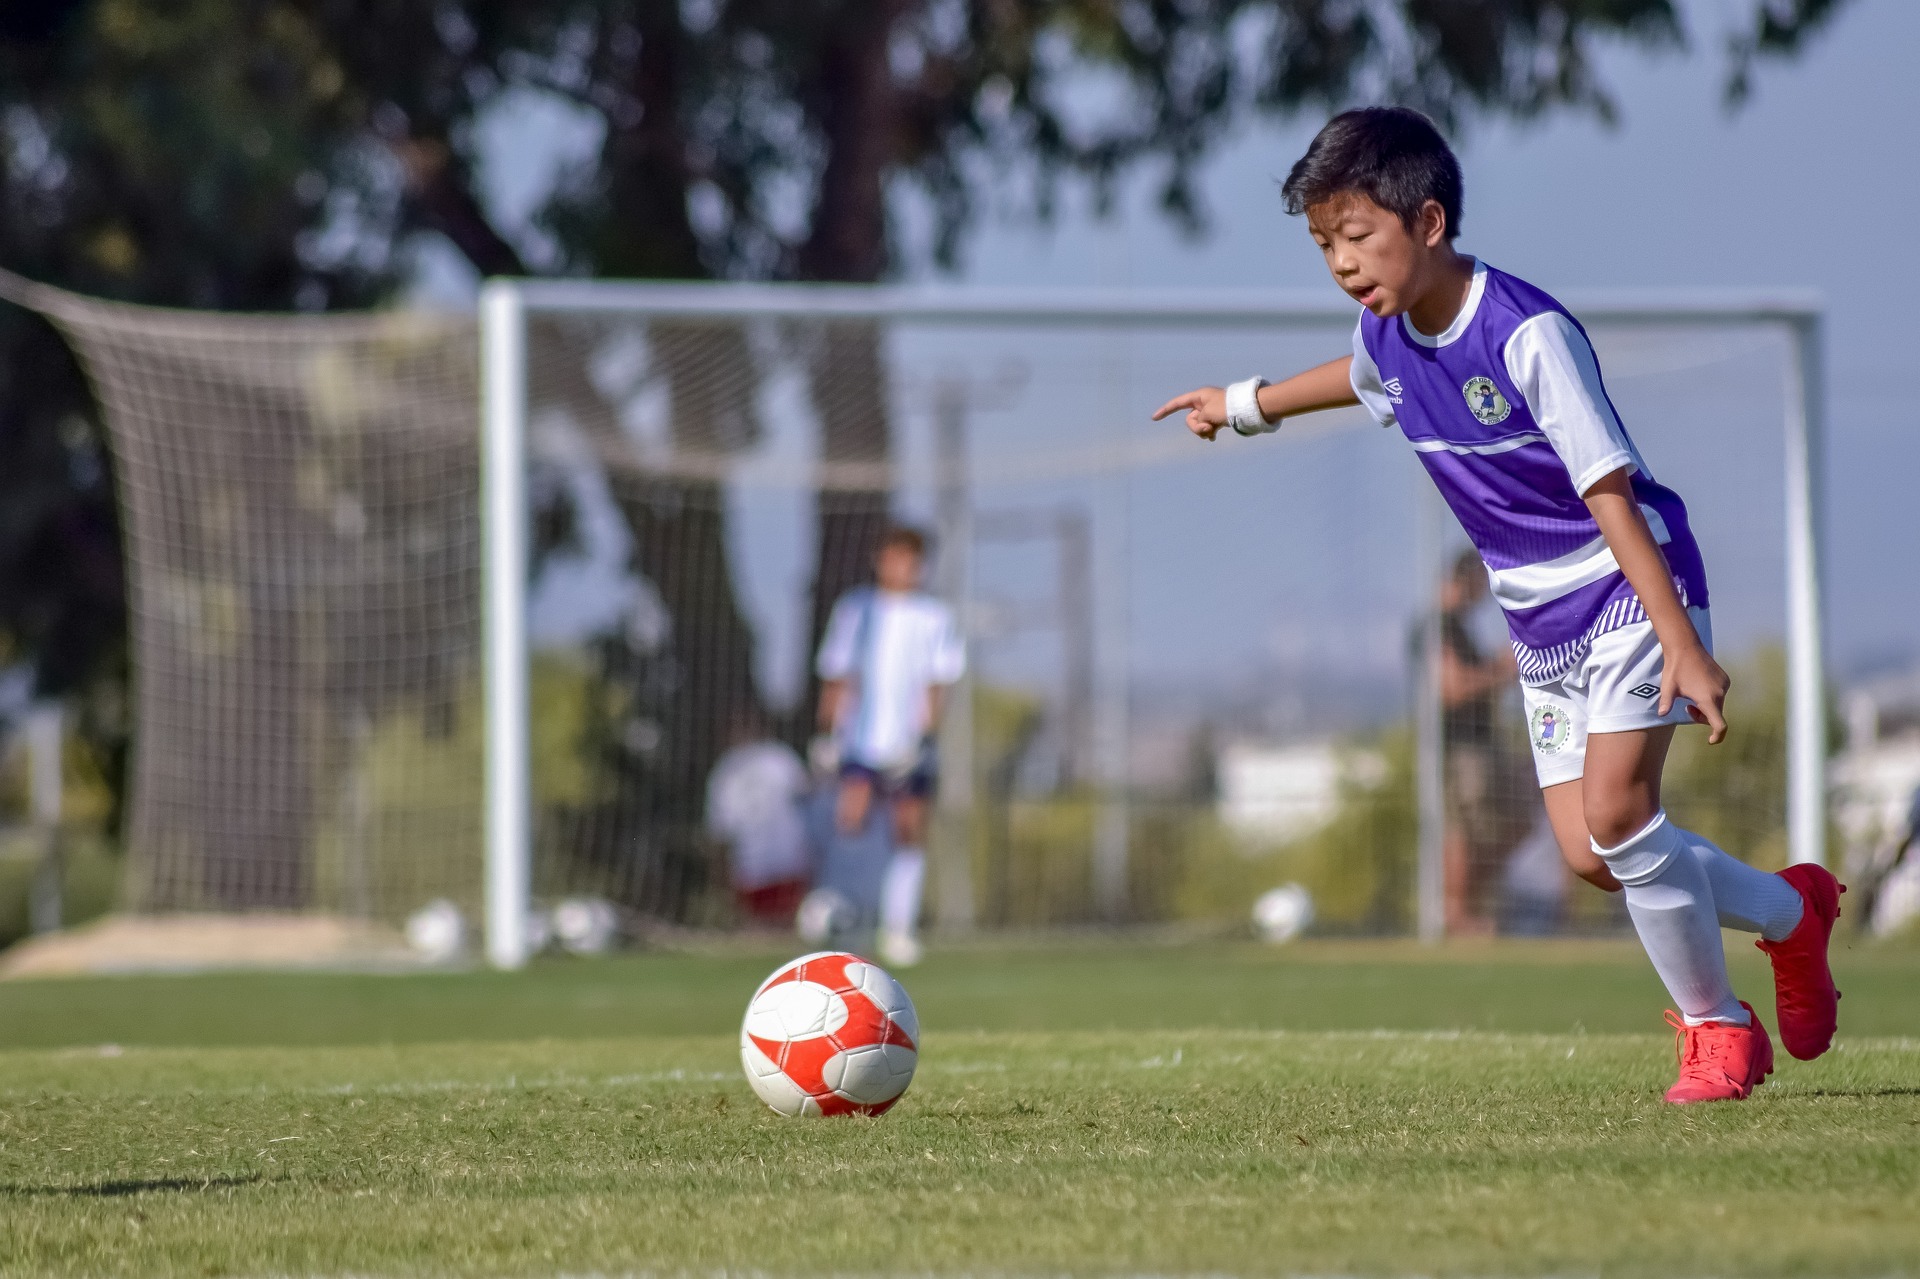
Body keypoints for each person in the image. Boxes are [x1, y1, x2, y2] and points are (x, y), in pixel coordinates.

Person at [1151, 106, 1844, 1104]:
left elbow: (1609, 492)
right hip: (1538, 624)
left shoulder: (1526, 334)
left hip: (1625, 586)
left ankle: (1718, 1029)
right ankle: (1791, 911)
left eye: (1357, 237)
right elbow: (1358, 377)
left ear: (1428, 222)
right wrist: (1245, 402)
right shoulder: (1385, 334)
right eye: (1323, 245)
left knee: (1618, 813)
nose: (1342, 263)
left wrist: (1682, 644)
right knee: (1593, 854)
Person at [814, 524, 965, 967]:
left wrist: (925, 738)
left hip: (908, 744)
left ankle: (899, 929)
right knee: (851, 825)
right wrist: (826, 734)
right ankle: (847, 920)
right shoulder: (855, 609)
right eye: (895, 557)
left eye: (912, 559)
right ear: (880, 559)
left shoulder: (933, 616)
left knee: (908, 831)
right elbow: (838, 673)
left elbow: (939, 682)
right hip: (860, 741)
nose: (903, 567)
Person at [1432, 549, 1537, 935]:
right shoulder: (1437, 625)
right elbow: (1452, 688)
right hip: (1461, 748)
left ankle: (1467, 904)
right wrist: (1500, 670)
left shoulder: (1458, 626)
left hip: (1483, 743)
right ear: (1468, 579)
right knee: (1465, 829)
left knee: (1516, 821)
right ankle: (1456, 914)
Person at [705, 719, 813, 927]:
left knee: (787, 927)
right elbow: (720, 828)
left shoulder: (778, 757)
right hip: (752, 864)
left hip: (787, 860)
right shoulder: (727, 769)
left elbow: (805, 798)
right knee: (760, 930)